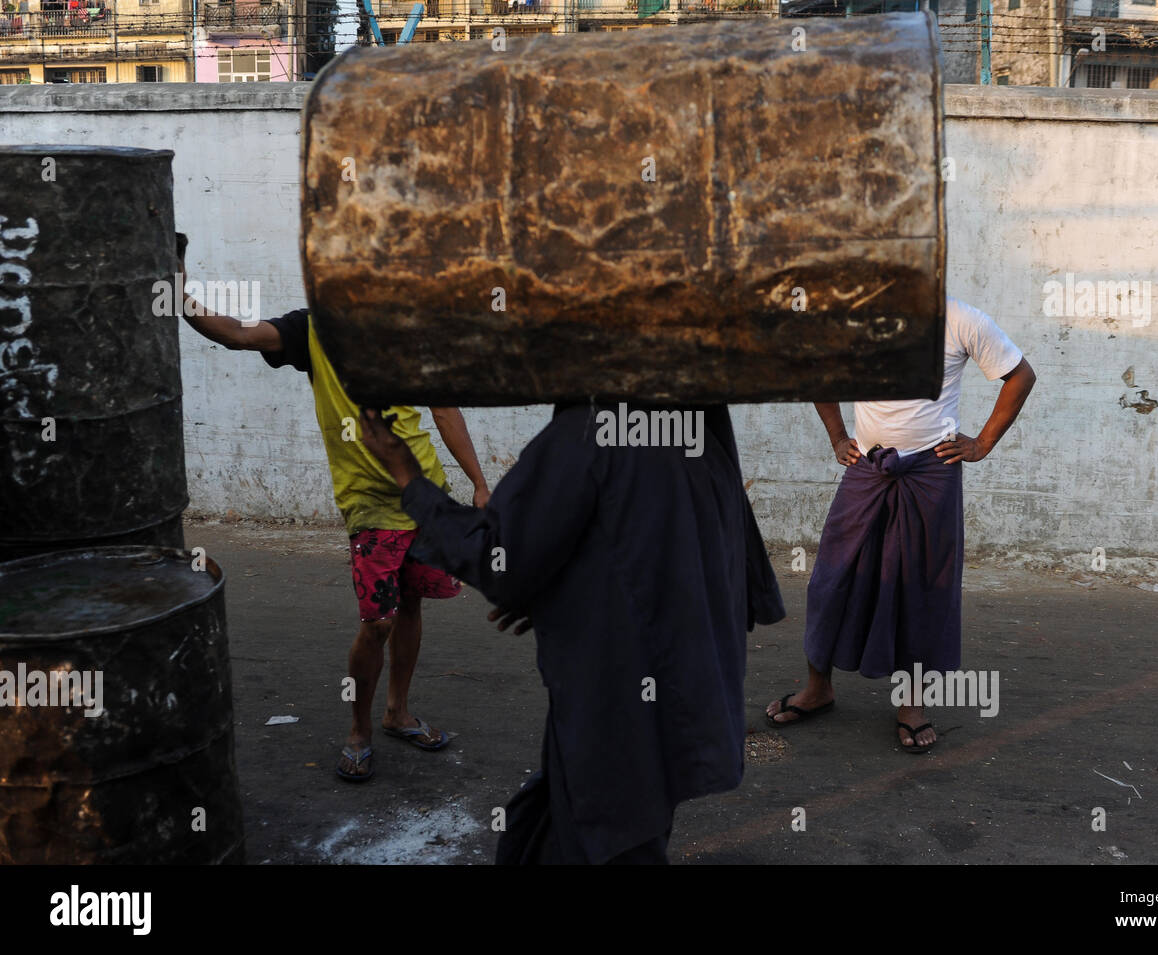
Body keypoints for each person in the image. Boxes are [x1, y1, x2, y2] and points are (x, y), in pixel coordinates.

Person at [358, 401, 786, 864]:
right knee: (595, 826)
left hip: (615, 704)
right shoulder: (692, 424)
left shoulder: (589, 431)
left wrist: (407, 476)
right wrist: (556, 591)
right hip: (682, 687)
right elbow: (638, 536)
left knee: (608, 836)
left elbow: (499, 559)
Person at [175, 246, 491, 783]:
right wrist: (176, 287)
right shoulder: (312, 331)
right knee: (379, 621)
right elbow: (236, 334)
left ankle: (397, 712)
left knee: (411, 606)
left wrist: (479, 483)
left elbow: (443, 410)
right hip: (369, 505)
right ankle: (359, 731)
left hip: (424, 495)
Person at [766, 297, 1036, 753]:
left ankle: (912, 705)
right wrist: (837, 436)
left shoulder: (962, 320)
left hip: (932, 472)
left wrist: (983, 442)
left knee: (921, 585)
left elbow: (1020, 375)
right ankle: (818, 688)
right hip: (867, 469)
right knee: (832, 579)